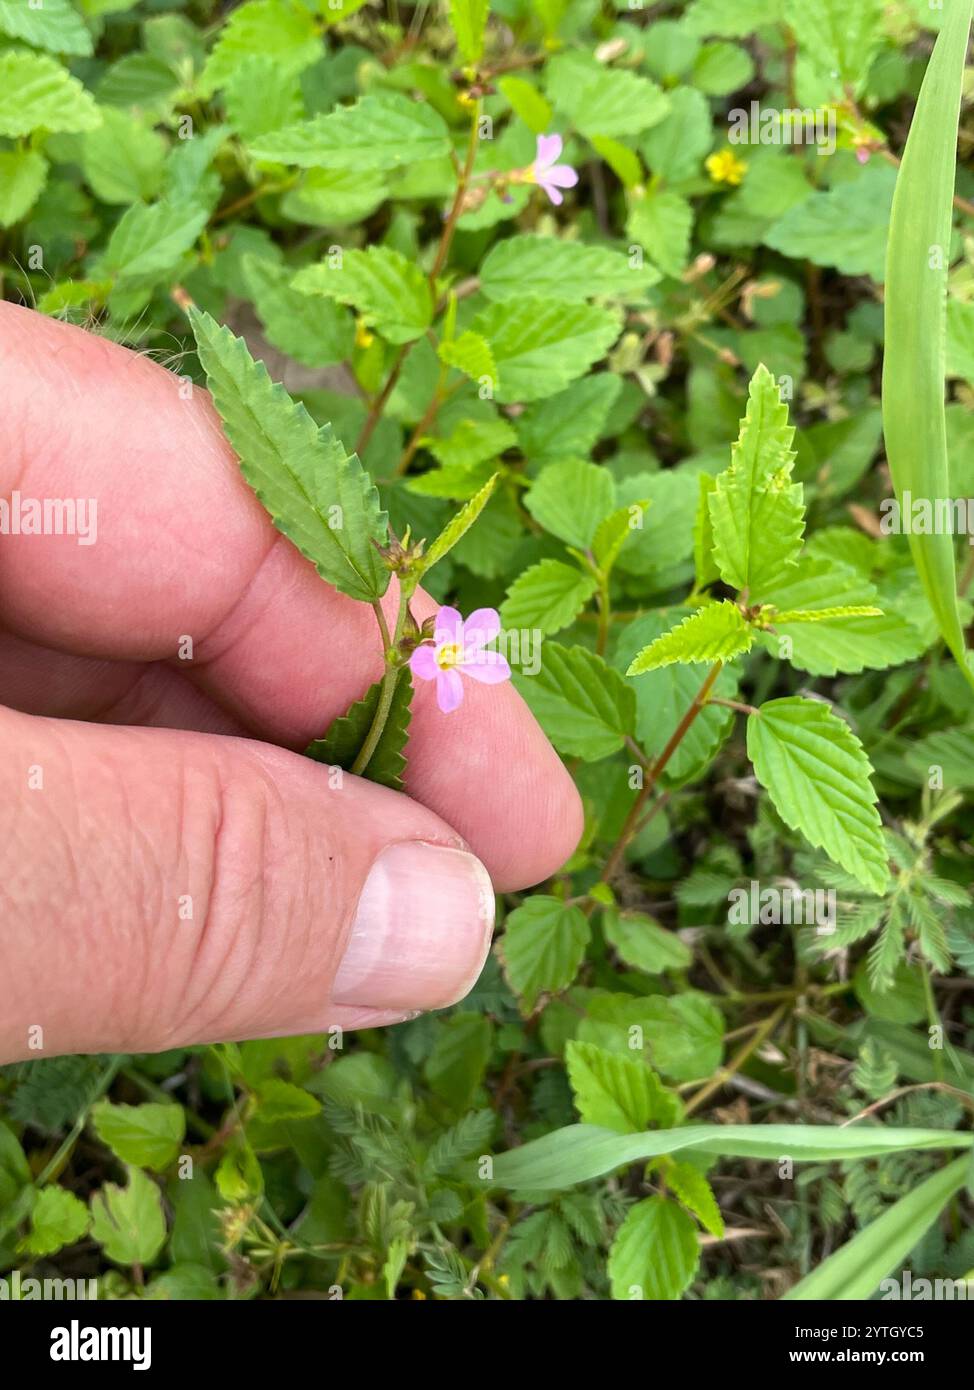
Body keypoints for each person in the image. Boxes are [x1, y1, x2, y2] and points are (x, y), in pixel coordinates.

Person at [0, 302, 582, 1064]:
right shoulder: (402, 633)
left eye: (450, 656)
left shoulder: (417, 644)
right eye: (446, 654)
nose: (448, 658)